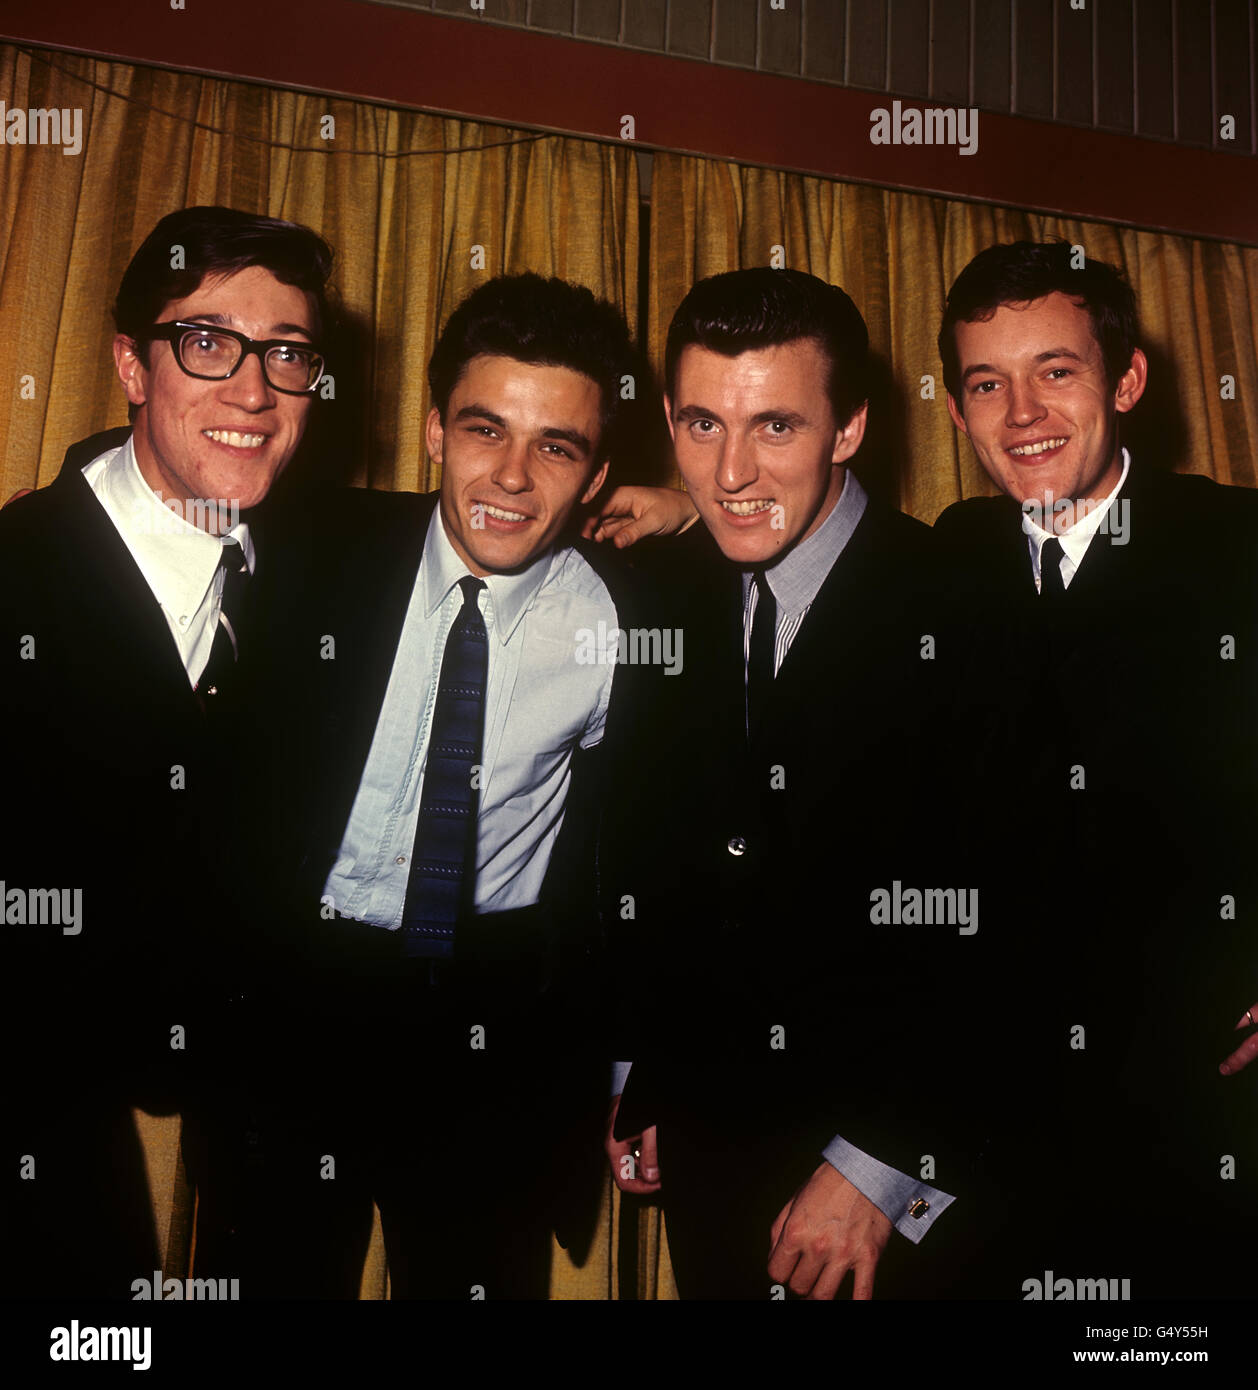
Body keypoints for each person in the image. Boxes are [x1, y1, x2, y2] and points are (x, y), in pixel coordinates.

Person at [197, 272, 650, 1299]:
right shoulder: (308, 551)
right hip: (294, 999)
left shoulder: (635, 619)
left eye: (558, 446)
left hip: (487, 1033)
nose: (515, 477)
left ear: (597, 472)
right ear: (435, 428)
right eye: (485, 429)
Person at [599, 268, 979, 1300]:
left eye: (774, 426)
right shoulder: (659, 588)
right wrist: (638, 1074)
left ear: (847, 428)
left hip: (912, 1178)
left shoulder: (966, 602)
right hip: (710, 1151)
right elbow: (644, 849)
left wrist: (880, 1163)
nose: (728, 473)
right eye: (699, 423)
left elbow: (1023, 915)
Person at [0, 205, 335, 1297]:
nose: (252, 390)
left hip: (247, 1116)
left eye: (285, 352)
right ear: (130, 367)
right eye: (207, 342)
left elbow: (497, 520)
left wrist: (671, 510)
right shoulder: (17, 572)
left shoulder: (323, 571)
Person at [933, 239, 1258, 1296]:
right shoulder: (947, 555)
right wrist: (683, 517)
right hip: (991, 1139)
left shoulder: (1234, 544)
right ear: (955, 410)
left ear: (1125, 381)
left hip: (1200, 1124)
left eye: (1055, 371)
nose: (1021, 412)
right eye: (988, 383)